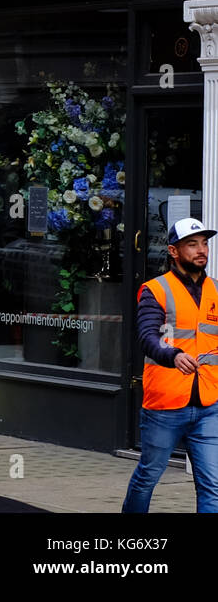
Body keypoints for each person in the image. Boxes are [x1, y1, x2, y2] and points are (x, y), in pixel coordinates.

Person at [122, 217, 218, 513]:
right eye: (192, 244)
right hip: (166, 405)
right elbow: (148, 336)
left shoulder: (216, 289)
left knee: (212, 485)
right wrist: (173, 354)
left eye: (204, 243)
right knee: (148, 476)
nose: (201, 250)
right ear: (174, 251)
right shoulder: (156, 289)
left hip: (208, 403)